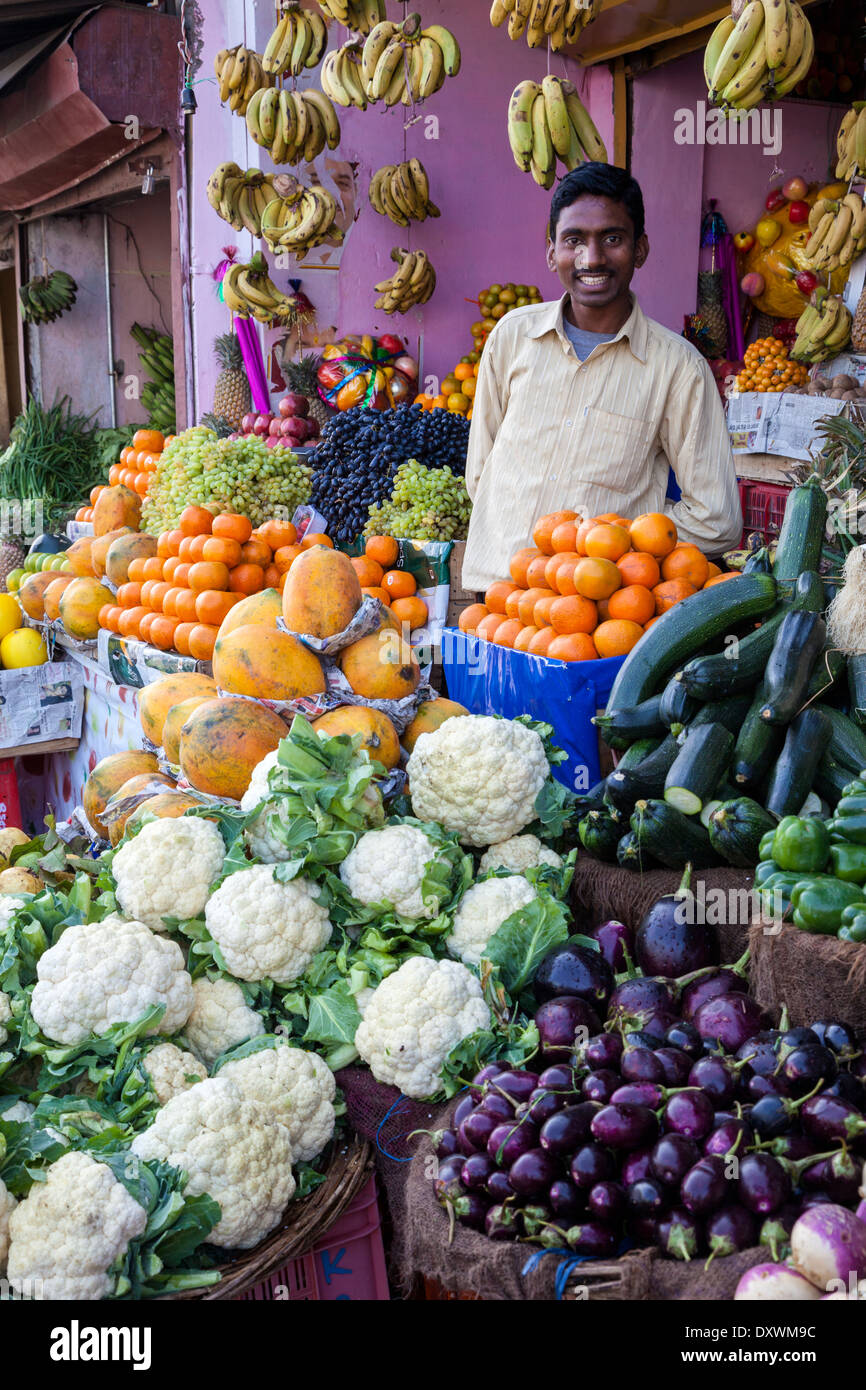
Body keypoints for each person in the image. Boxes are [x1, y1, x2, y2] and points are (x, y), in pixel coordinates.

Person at [462, 163, 743, 593]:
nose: (591, 258)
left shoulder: (678, 368)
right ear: (551, 251)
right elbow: (481, 474)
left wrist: (619, 550)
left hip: (596, 622)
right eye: (574, 240)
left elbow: (717, 518)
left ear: (641, 249)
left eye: (612, 239)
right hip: (495, 600)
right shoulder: (512, 336)